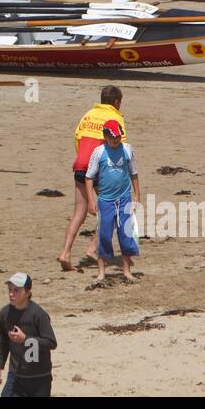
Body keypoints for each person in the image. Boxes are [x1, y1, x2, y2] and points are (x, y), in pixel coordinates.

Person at [61, 86, 126, 271]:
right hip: (98, 169)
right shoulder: (116, 118)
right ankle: (91, 249)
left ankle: (65, 253)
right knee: (112, 211)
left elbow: (77, 138)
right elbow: (119, 146)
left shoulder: (88, 114)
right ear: (117, 102)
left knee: (78, 214)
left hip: (80, 165)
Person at [85, 120, 141, 284]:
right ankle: (101, 272)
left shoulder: (127, 149)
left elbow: (134, 174)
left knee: (126, 234)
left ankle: (126, 270)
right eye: (112, 137)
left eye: (118, 137)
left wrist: (137, 195)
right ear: (105, 136)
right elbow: (89, 178)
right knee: (104, 235)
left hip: (124, 198)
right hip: (105, 200)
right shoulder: (99, 152)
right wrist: (91, 200)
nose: (115, 141)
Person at [0, 273, 56, 397]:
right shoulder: (5, 313)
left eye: (16, 290)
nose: (11, 294)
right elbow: (4, 342)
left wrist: (25, 339)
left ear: (27, 293)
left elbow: (51, 343)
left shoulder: (38, 314)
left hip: (40, 377)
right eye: (10, 290)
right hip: (16, 375)